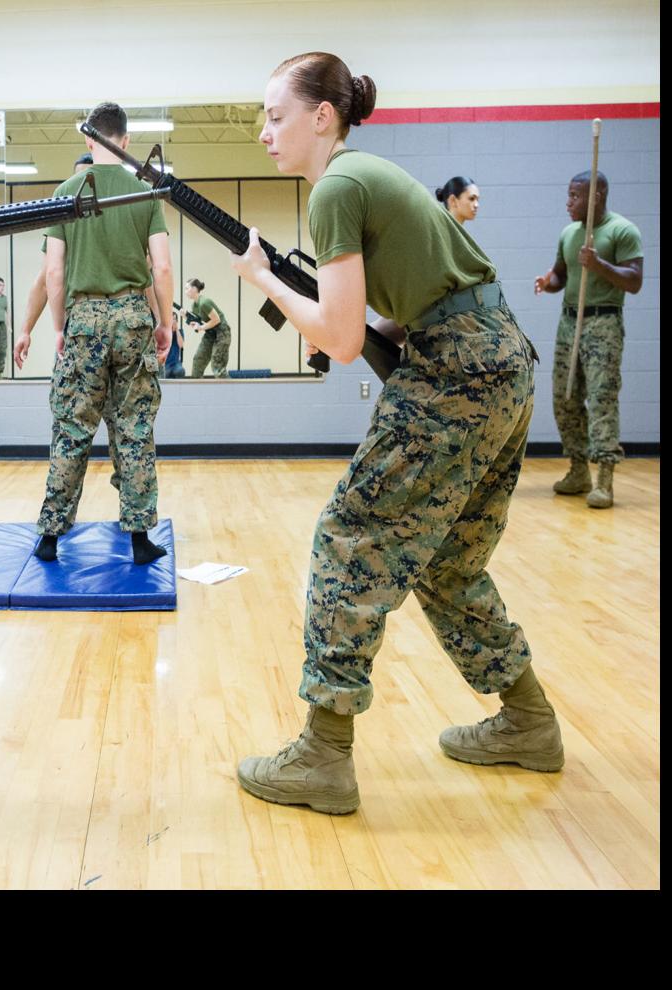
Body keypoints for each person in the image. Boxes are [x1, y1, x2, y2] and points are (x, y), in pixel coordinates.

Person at [229, 51, 560, 815]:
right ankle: (529, 720)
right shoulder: (366, 175)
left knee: (351, 535)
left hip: (453, 372)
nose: (264, 133)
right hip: (497, 361)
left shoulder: (336, 186)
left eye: (276, 117)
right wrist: (334, 314)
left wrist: (263, 278)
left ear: (322, 117)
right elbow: (384, 315)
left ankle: (323, 753)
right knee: (446, 561)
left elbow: (341, 341)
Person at [25, 101, 173, 565]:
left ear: (89, 140)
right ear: (126, 142)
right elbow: (162, 267)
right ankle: (139, 539)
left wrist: (59, 327)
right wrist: (165, 323)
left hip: (84, 320)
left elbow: (53, 272)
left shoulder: (65, 192)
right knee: (134, 430)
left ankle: (50, 535)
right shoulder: (144, 193)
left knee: (72, 428)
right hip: (133, 318)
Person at [533, 171, 644, 508]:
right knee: (564, 397)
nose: (569, 202)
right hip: (569, 323)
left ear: (596, 196)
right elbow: (561, 276)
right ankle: (578, 470)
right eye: (568, 195)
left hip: (603, 323)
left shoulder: (623, 231)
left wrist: (598, 264)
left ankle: (604, 480)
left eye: (575, 196)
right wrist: (547, 281)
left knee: (600, 399)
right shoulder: (569, 233)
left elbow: (634, 281)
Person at [185, 278, 229, 377]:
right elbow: (199, 324)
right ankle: (196, 390)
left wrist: (200, 327)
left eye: (187, 288)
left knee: (217, 364)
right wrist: (186, 317)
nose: (185, 291)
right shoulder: (194, 305)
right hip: (210, 333)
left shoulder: (204, 302)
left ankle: (228, 390)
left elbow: (216, 319)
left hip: (222, 333)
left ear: (195, 289)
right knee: (198, 360)